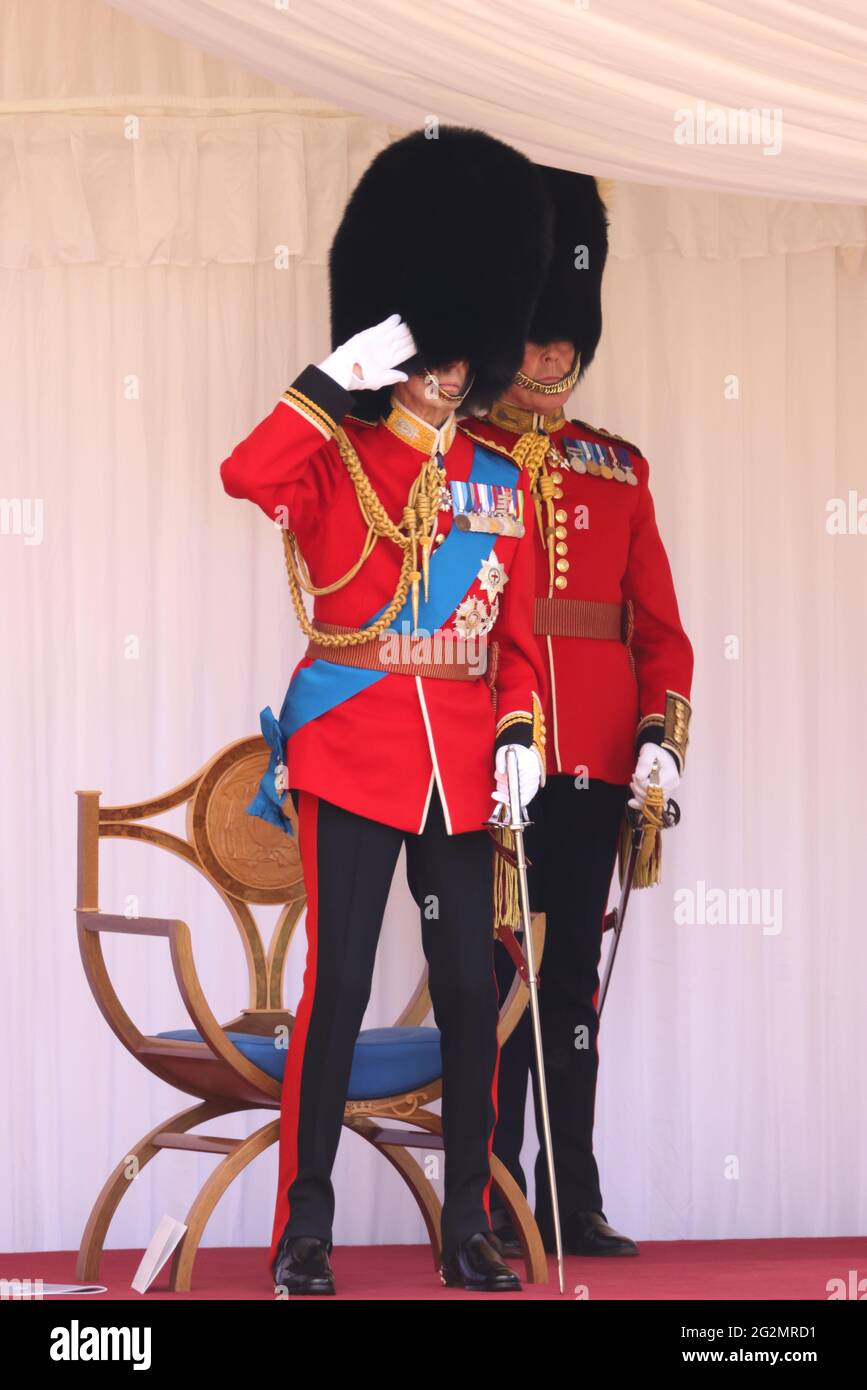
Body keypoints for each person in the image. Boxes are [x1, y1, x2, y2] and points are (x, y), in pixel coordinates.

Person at [220, 128, 552, 1294]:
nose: (447, 372)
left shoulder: (502, 482)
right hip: (355, 744)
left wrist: (519, 735)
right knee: (343, 983)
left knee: (470, 985)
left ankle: (466, 1226)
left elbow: (512, 647)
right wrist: (331, 378)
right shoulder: (335, 453)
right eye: (428, 350)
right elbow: (244, 474)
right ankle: (302, 1228)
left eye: (462, 352)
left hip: (461, 759)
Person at [464, 166, 694, 1258]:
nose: (551, 356)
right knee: (498, 973)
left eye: (564, 339)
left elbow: (661, 630)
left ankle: (571, 1194)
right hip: (492, 759)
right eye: (536, 336)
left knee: (572, 985)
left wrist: (662, 739)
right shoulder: (458, 462)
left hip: (598, 759)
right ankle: (491, 1199)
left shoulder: (621, 468)